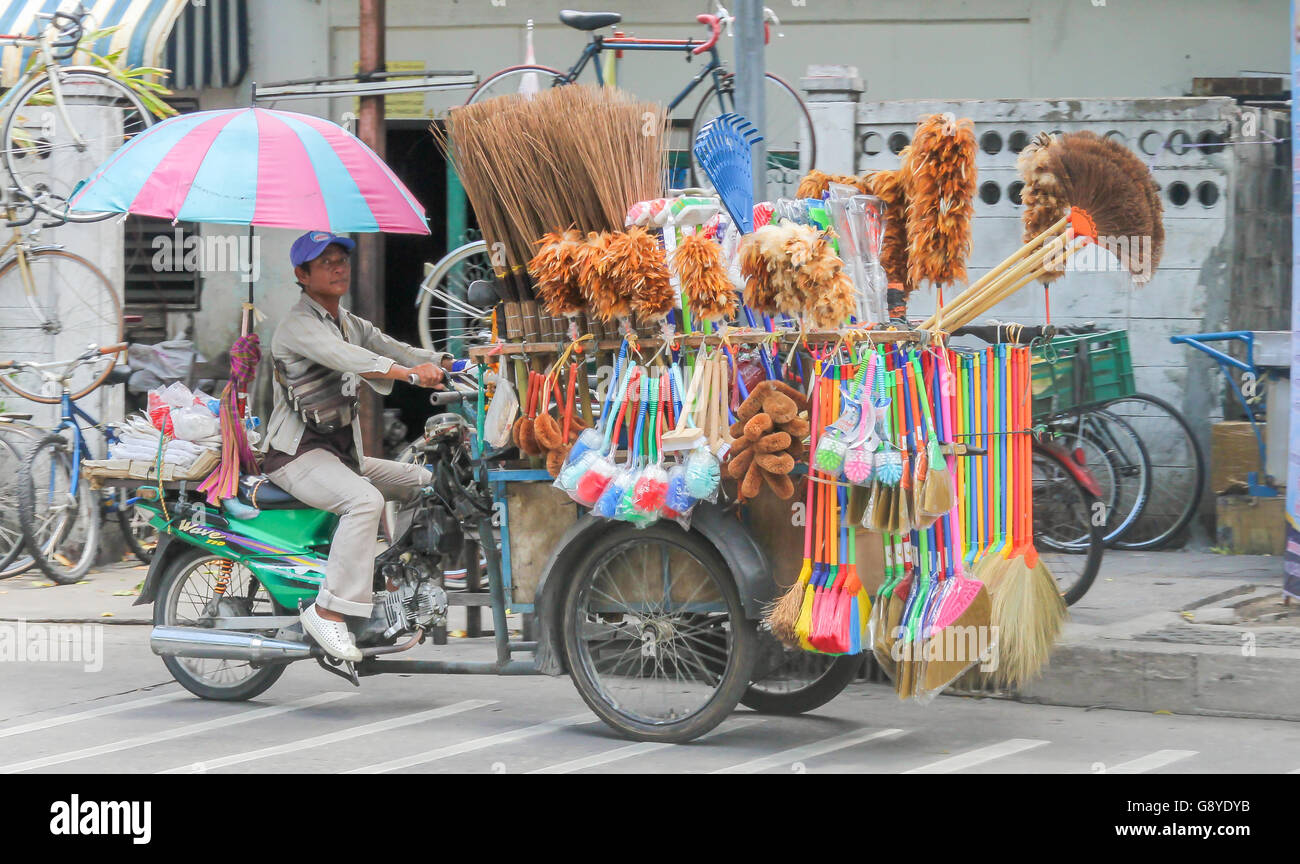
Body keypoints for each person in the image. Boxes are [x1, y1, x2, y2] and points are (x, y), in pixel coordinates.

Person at [262, 230, 451, 662]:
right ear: (301, 274)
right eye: (324, 261)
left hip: (343, 458)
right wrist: (408, 375)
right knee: (365, 501)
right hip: (297, 457)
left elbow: (391, 346)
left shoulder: (347, 321)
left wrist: (448, 363)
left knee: (426, 482)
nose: (338, 266)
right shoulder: (299, 326)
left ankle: (391, 582)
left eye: (341, 258)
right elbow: (349, 358)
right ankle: (329, 611)